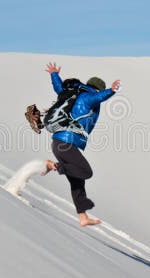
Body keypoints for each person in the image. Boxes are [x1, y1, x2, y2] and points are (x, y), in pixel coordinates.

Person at [41, 61, 121, 226]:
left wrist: (54, 74)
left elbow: (59, 88)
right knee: (85, 171)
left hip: (60, 142)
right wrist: (111, 91)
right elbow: (99, 96)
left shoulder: (73, 93)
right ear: (97, 88)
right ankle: (53, 166)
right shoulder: (90, 97)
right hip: (66, 142)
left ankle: (83, 216)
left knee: (77, 180)